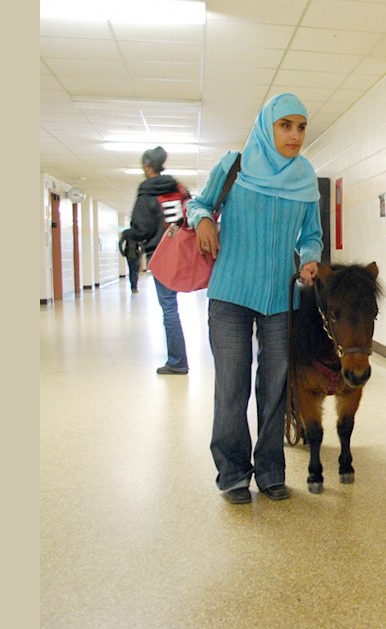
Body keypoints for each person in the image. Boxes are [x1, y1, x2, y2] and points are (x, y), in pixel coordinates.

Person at [185, 93, 323, 505]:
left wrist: (311, 260)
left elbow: (311, 236)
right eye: (286, 125)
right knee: (232, 385)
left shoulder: (305, 177)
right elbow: (199, 203)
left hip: (280, 297)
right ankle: (232, 474)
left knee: (274, 387)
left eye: (301, 127)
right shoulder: (235, 164)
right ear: (268, 126)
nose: (295, 135)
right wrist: (205, 218)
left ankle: (270, 471)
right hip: (230, 294)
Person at [127, 146, 191, 375]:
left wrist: (132, 237)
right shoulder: (179, 188)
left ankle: (178, 361)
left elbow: (141, 227)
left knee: (169, 308)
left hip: (161, 254)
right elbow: (190, 214)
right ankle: (179, 359)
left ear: (147, 166)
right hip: (183, 252)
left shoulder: (147, 191)